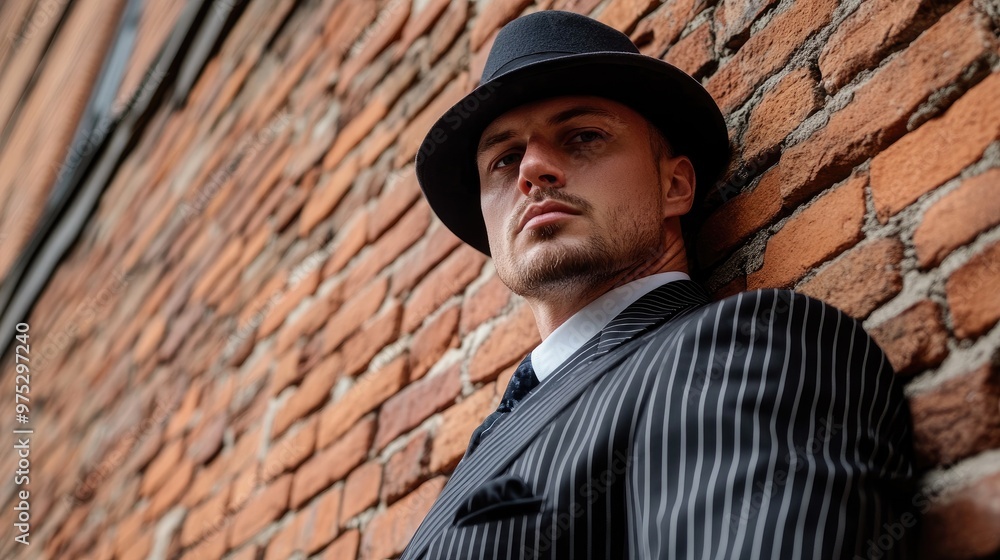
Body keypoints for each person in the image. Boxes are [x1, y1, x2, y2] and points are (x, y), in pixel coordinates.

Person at [401, 10, 915, 560]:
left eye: (583, 136)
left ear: (675, 185)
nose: (532, 169)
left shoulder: (737, 352)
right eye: (504, 160)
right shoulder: (491, 435)